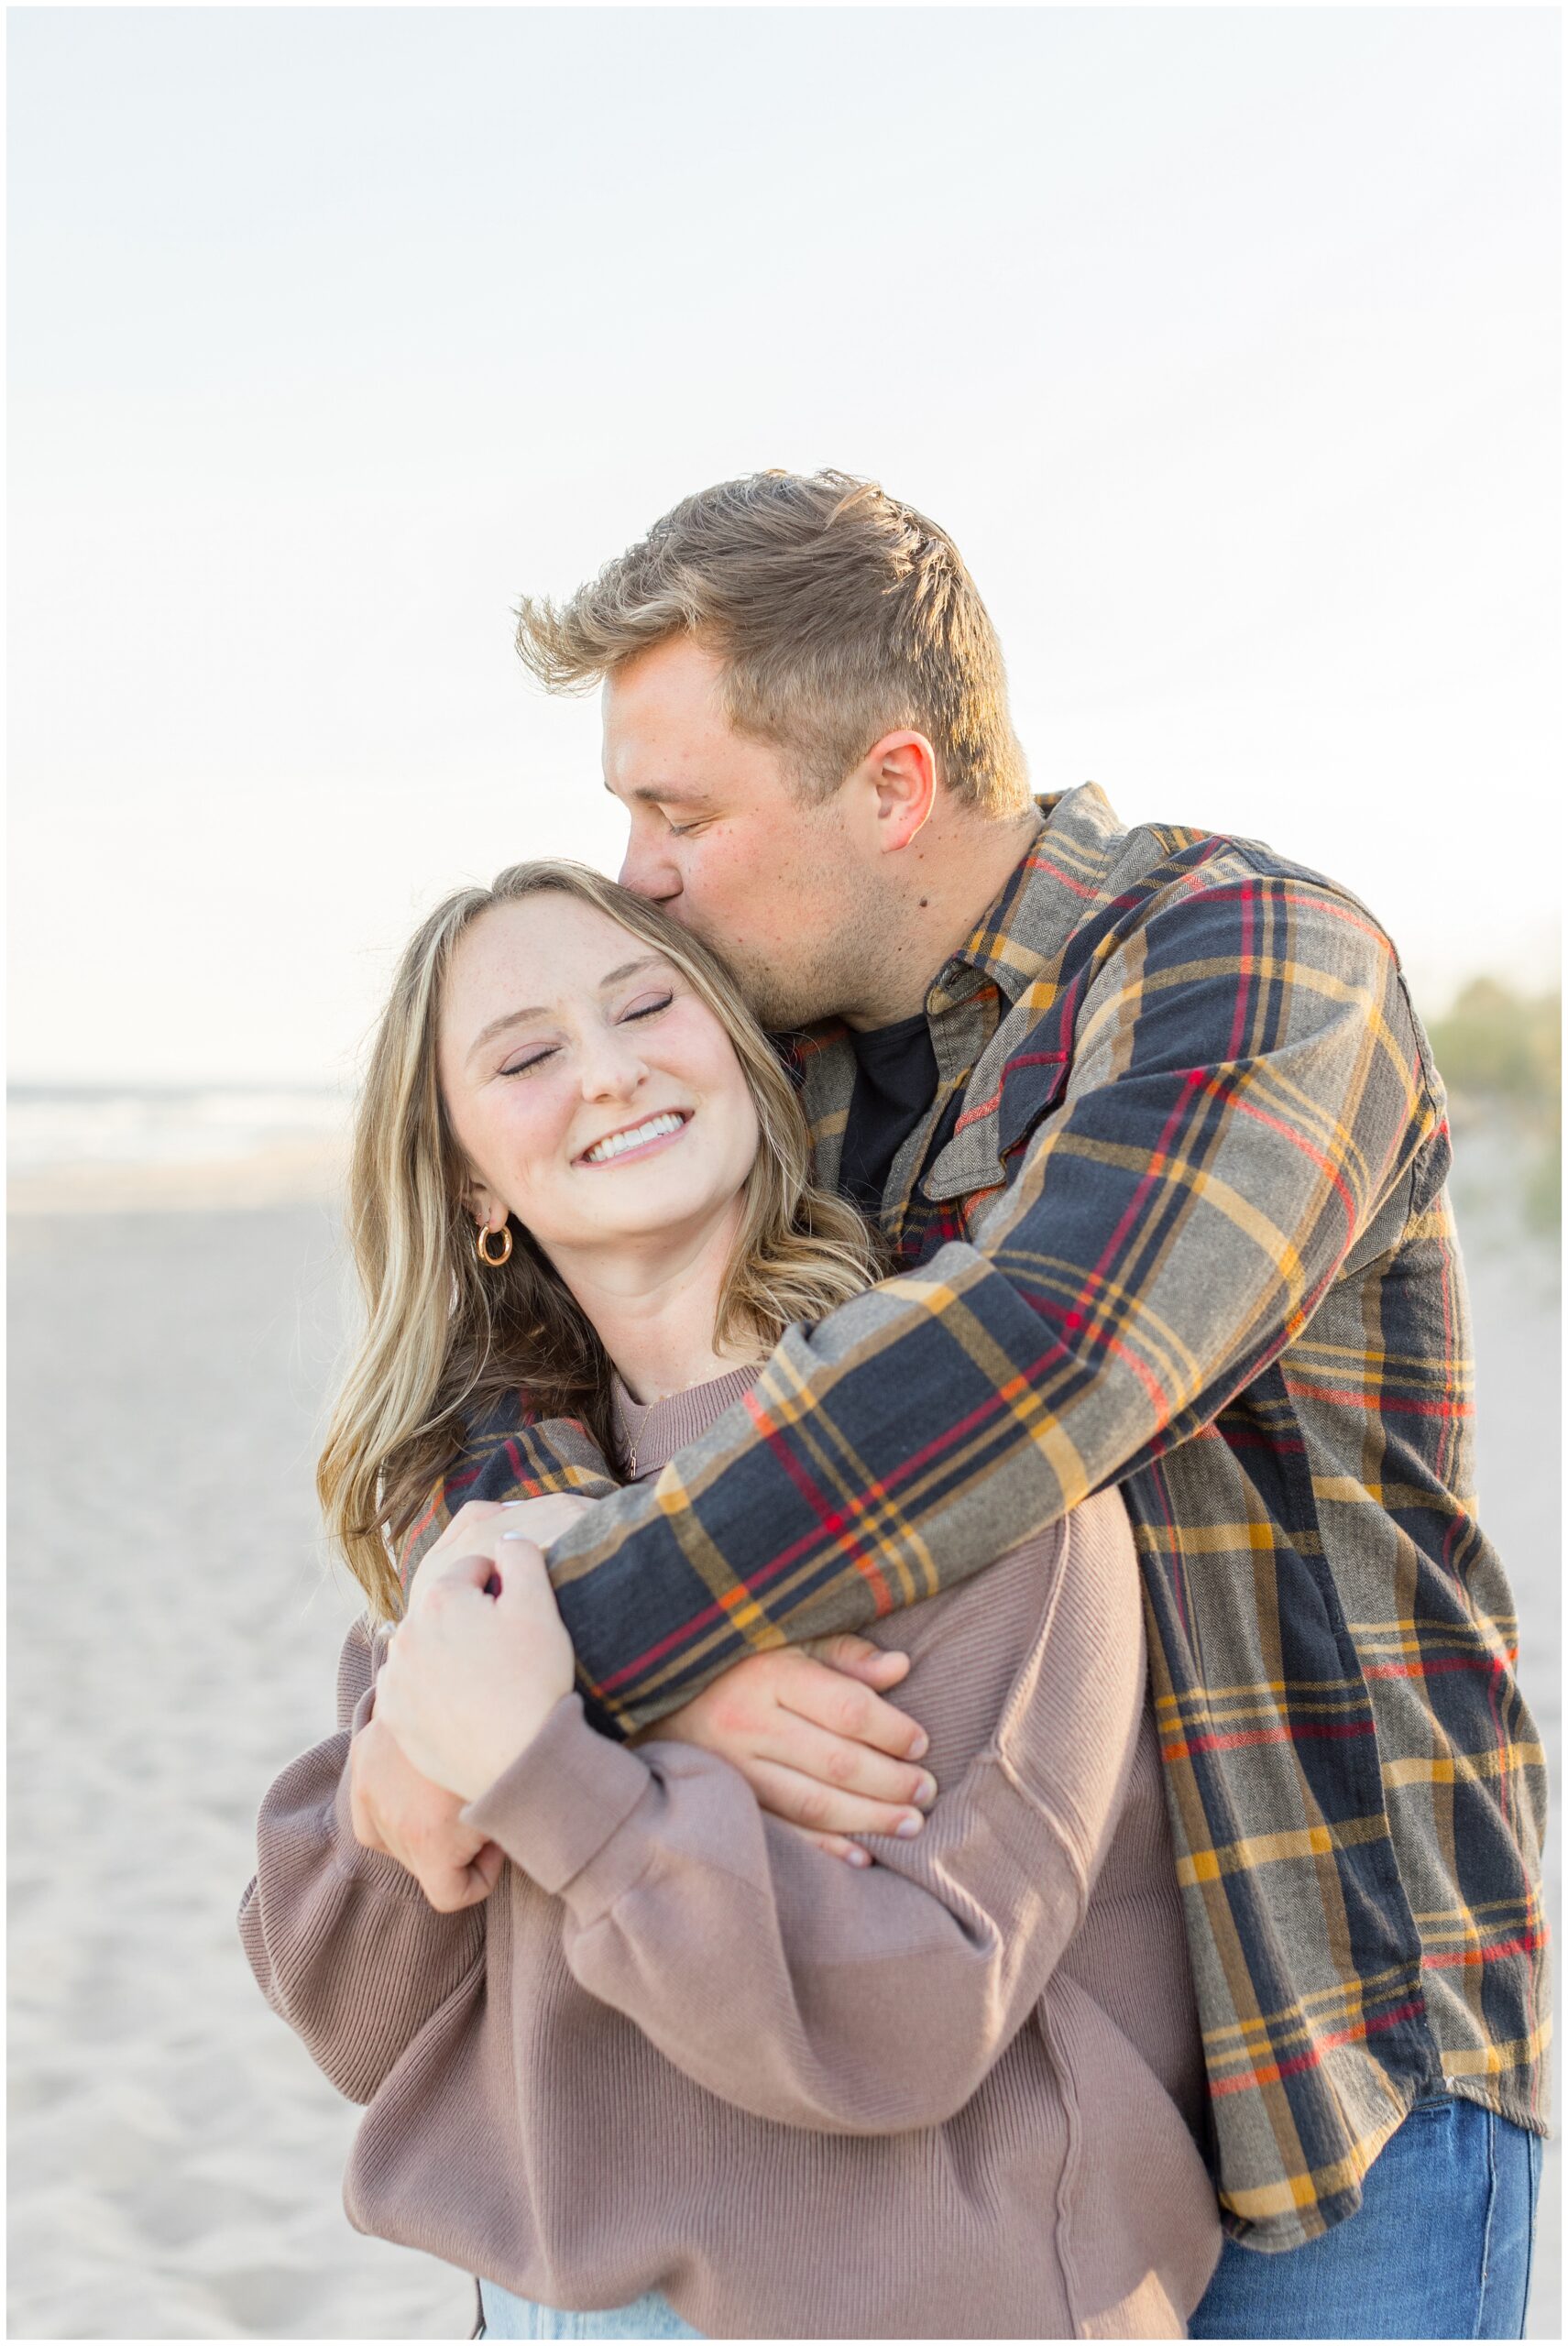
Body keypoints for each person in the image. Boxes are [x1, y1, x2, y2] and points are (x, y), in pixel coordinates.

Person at [398, 472, 1547, 2340]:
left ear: (895, 785)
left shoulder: (1251, 963)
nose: (636, 874)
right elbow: (520, 1344)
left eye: (676, 807)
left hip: (1330, 2042)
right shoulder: (779, 1053)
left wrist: (564, 1659)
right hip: (1009, 2065)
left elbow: (1031, 1369)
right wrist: (534, 1584)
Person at [240, 862, 1223, 2341]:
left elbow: (910, 2017)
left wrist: (551, 1761)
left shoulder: (963, 1443)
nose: (612, 1068)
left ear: (746, 1063)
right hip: (544, 2303)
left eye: (649, 1005)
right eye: (525, 1055)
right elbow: (350, 2009)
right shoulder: (491, 1511)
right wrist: (411, 1766)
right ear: (465, 1176)